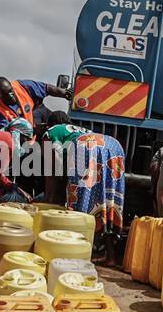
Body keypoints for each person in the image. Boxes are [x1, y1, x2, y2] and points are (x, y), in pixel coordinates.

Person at [43, 110, 126, 265]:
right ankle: (111, 256)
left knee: (80, 204)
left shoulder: (51, 131)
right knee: (105, 203)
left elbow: (51, 171)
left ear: (51, 124)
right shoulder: (78, 130)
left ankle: (73, 254)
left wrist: (48, 200)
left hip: (87, 147)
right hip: (112, 145)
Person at [0, 76, 71, 130]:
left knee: (59, 118)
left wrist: (64, 93)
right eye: (6, 95)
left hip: (37, 113)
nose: (11, 96)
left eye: (11, 91)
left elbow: (47, 88)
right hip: (23, 139)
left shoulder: (21, 86)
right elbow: (8, 134)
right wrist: (33, 130)